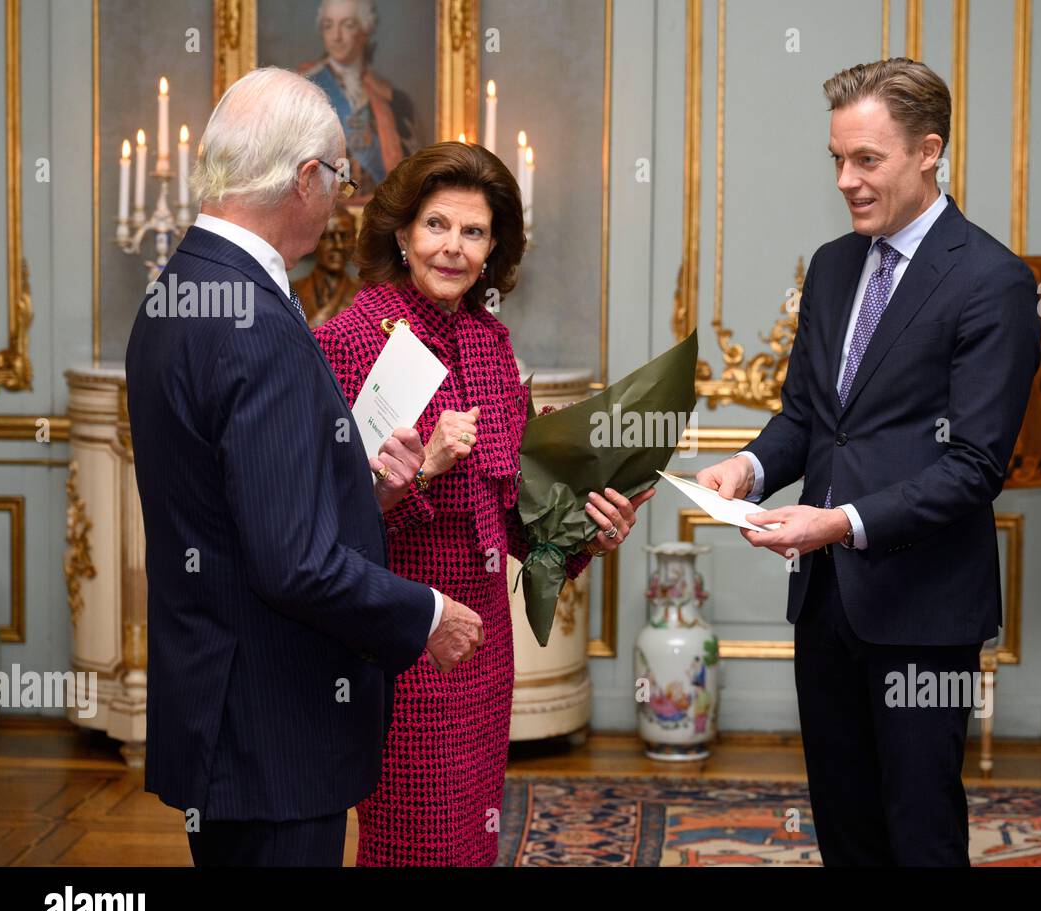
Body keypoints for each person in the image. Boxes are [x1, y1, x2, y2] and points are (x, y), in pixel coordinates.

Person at [125, 67, 482, 867]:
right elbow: (292, 562)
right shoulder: (256, 321)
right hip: (276, 729)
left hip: (219, 710)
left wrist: (359, 488)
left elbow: (237, 502)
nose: (338, 200)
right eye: (340, 180)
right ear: (307, 180)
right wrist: (426, 614)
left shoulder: (175, 292)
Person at [695, 58, 1040, 866]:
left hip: (924, 610)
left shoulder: (993, 281)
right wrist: (745, 469)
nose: (846, 180)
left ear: (929, 151)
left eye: (867, 161)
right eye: (837, 160)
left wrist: (841, 523)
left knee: (919, 832)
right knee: (844, 829)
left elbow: (975, 467)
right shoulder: (834, 264)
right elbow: (810, 421)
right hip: (824, 607)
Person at [314, 141, 653, 866]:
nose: (453, 248)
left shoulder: (491, 345)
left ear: (494, 247)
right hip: (404, 642)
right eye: (437, 225)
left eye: (474, 232)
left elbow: (516, 524)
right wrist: (422, 469)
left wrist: (590, 532)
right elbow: (323, 531)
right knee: (416, 846)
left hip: (485, 648)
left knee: (472, 841)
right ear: (402, 233)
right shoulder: (347, 341)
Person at [302, 0, 417, 198]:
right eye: (329, 26)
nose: (336, 36)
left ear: (365, 30)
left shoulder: (394, 99)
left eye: (347, 25)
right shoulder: (303, 88)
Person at [294, 205, 361, 328]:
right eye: (329, 237)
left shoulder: (365, 292)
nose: (339, 246)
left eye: (345, 237)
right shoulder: (291, 291)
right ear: (313, 241)